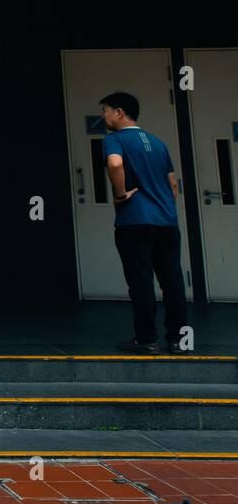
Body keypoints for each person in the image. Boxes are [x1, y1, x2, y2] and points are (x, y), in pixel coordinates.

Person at [100, 92, 190, 354]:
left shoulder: (114, 140)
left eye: (105, 110)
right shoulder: (158, 143)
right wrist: (164, 207)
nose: (103, 116)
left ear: (119, 112)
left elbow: (115, 165)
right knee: (172, 281)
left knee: (141, 281)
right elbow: (172, 184)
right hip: (166, 223)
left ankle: (146, 339)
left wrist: (119, 194)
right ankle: (178, 339)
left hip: (135, 221)